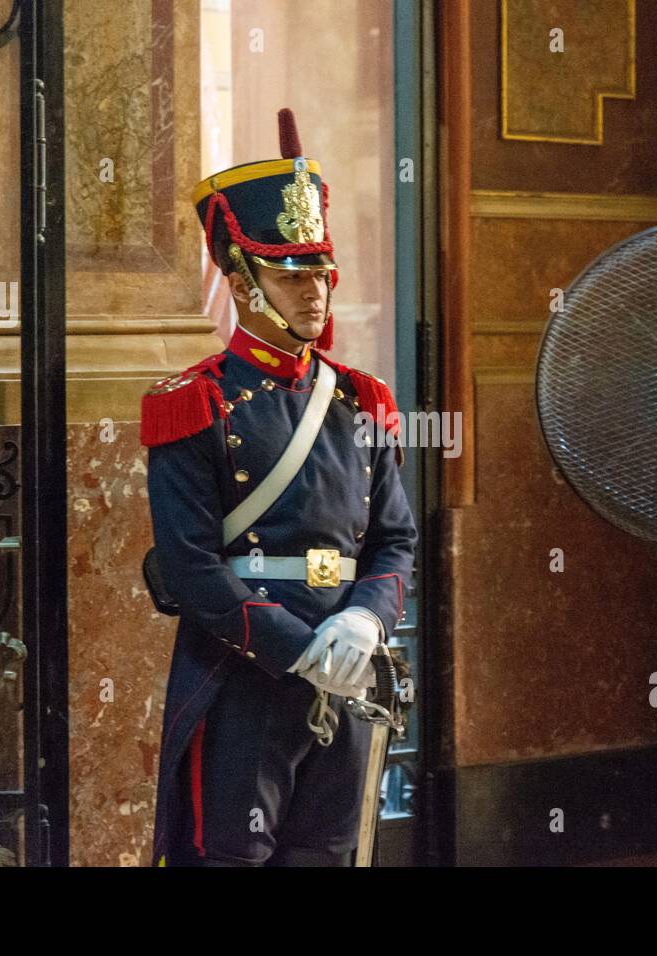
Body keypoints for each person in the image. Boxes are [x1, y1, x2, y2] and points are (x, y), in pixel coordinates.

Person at [141, 108, 418, 867]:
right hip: (244, 678)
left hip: (348, 671)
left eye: (321, 275)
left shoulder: (359, 401)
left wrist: (363, 625)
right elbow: (193, 571)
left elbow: (394, 540)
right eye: (291, 276)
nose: (315, 293)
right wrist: (300, 650)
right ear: (239, 281)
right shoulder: (193, 404)